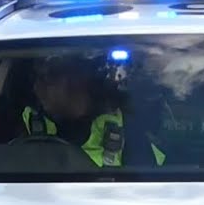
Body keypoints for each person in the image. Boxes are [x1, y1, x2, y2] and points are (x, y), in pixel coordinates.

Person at [20, 54, 163, 167]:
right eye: (36, 78)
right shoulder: (27, 123)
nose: (37, 88)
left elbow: (150, 196)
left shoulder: (129, 132)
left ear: (77, 80)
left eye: (47, 79)